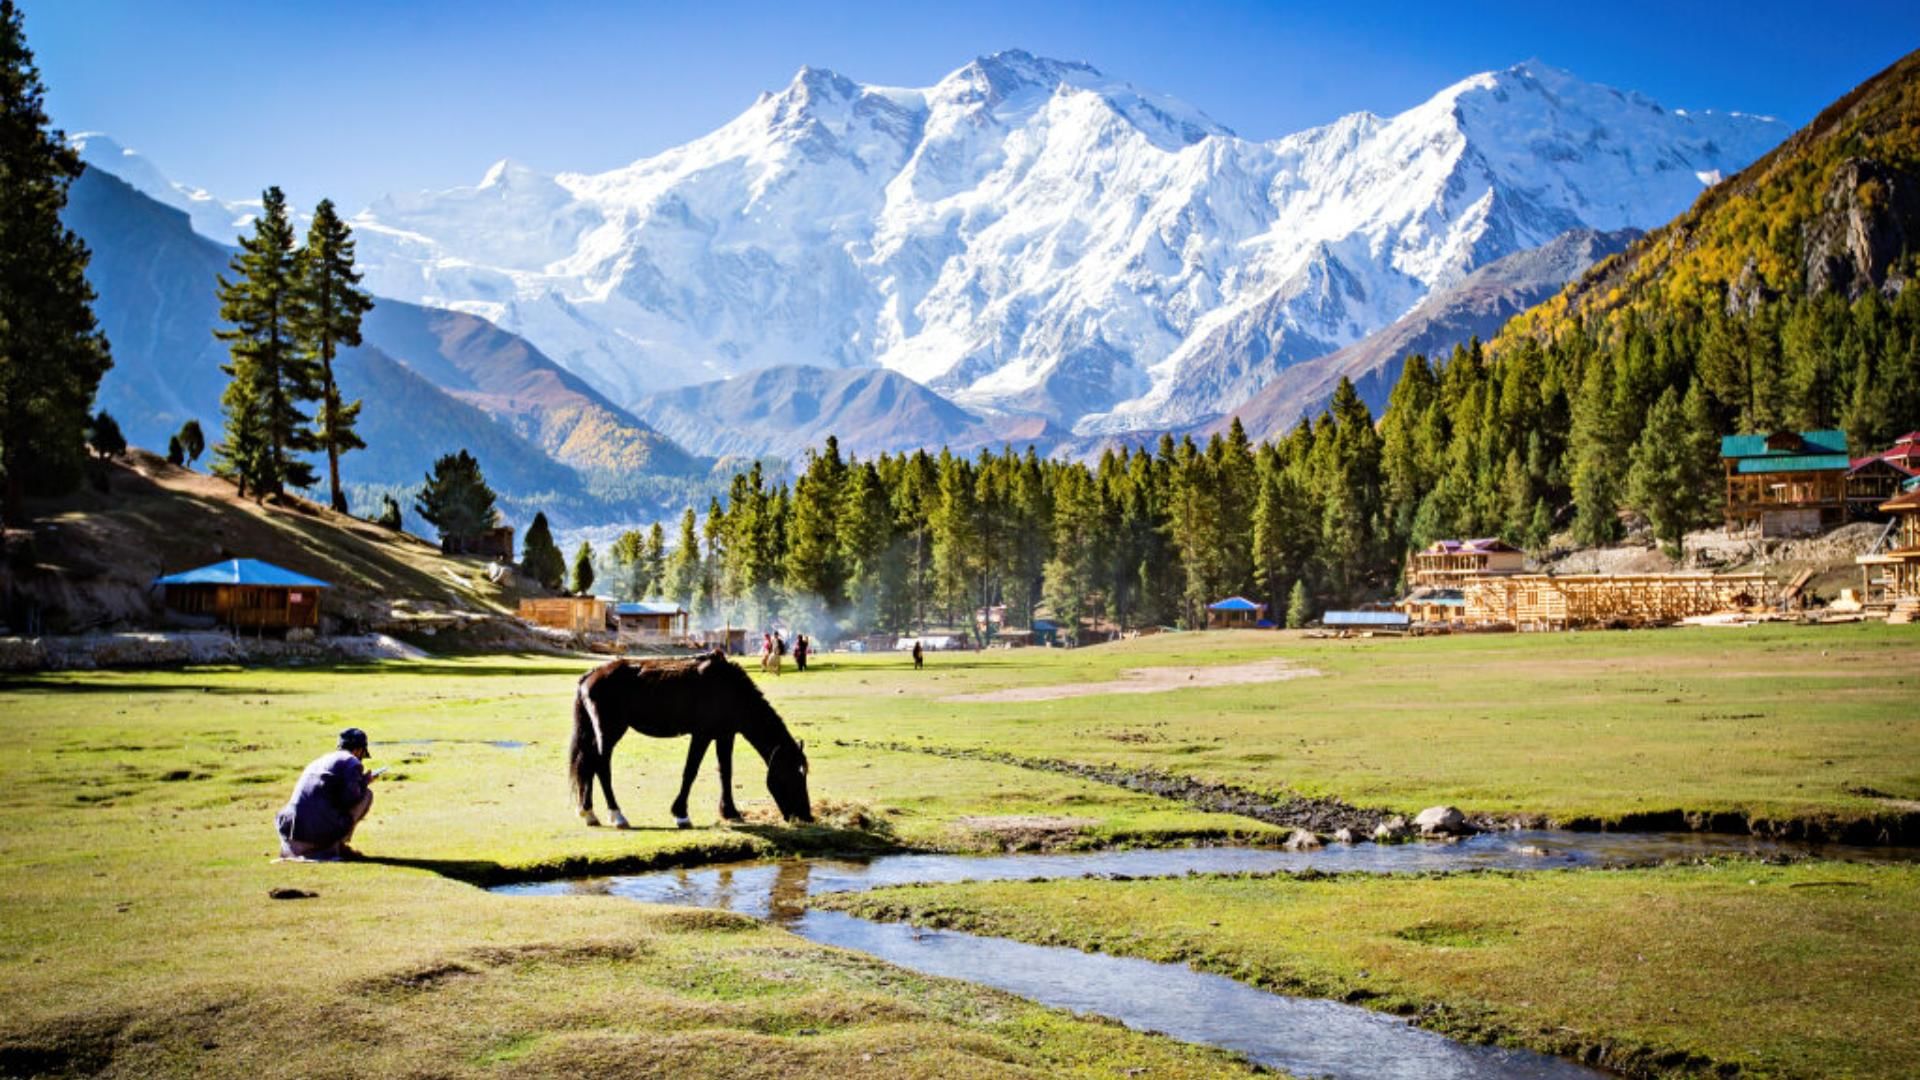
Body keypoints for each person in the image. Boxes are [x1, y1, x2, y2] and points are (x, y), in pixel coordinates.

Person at [275, 728, 378, 860]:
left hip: (290, 833)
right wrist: (364, 782)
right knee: (367, 795)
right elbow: (350, 798)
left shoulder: (320, 760)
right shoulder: (353, 762)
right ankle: (337, 846)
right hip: (316, 834)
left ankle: (330, 846)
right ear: (359, 750)